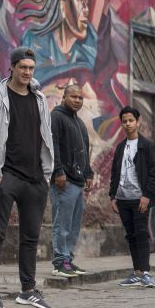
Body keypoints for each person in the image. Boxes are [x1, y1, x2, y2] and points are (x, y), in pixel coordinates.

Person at [0, 46, 54, 308]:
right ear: (11, 67)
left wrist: (46, 175)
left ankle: (28, 290)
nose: (27, 72)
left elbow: (46, 136)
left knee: (30, 238)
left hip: (35, 179)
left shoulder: (40, 99)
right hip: (7, 176)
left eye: (31, 68)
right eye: (22, 67)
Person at [109, 106, 155, 288]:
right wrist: (112, 196)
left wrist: (147, 196)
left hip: (140, 199)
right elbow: (115, 172)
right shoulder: (121, 147)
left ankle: (145, 272)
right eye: (124, 121)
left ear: (138, 122)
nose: (128, 124)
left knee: (141, 233)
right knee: (131, 235)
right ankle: (137, 272)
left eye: (131, 120)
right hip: (123, 199)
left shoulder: (146, 146)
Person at [49, 84, 94, 278]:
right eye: (73, 97)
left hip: (78, 181)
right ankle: (59, 262)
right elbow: (53, 146)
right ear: (64, 97)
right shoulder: (56, 117)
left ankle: (68, 260)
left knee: (74, 225)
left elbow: (84, 150)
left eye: (80, 97)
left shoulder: (79, 123)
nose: (77, 100)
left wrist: (89, 173)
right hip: (63, 181)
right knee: (62, 223)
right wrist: (58, 171)